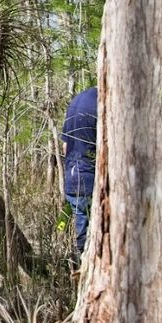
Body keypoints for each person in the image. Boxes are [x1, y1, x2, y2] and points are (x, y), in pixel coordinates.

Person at [62, 85, 98, 256]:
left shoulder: (75, 102)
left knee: (80, 228)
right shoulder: (103, 102)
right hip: (90, 182)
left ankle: (77, 266)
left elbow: (64, 146)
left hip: (71, 179)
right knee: (91, 233)